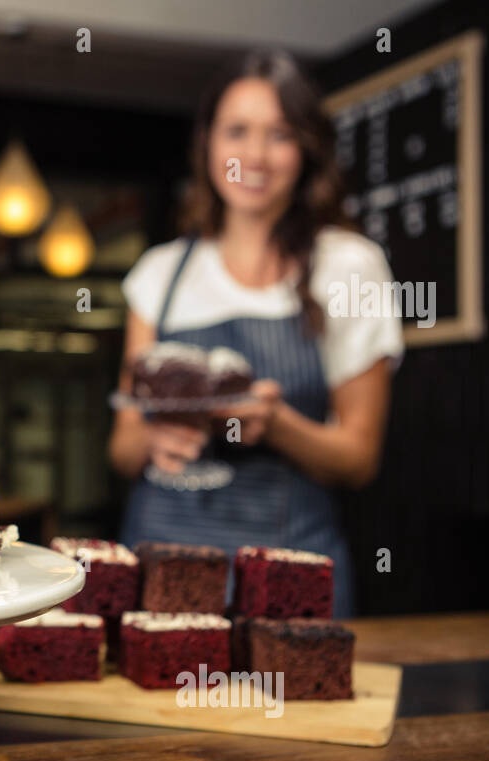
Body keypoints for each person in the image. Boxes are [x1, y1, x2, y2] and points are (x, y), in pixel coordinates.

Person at [108, 50, 402, 617]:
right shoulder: (160, 273)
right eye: (237, 131)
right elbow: (121, 447)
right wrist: (154, 439)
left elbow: (360, 458)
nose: (254, 156)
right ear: (209, 146)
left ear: (307, 151)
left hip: (289, 576)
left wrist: (277, 426)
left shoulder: (350, 267)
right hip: (159, 569)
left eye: (280, 135)